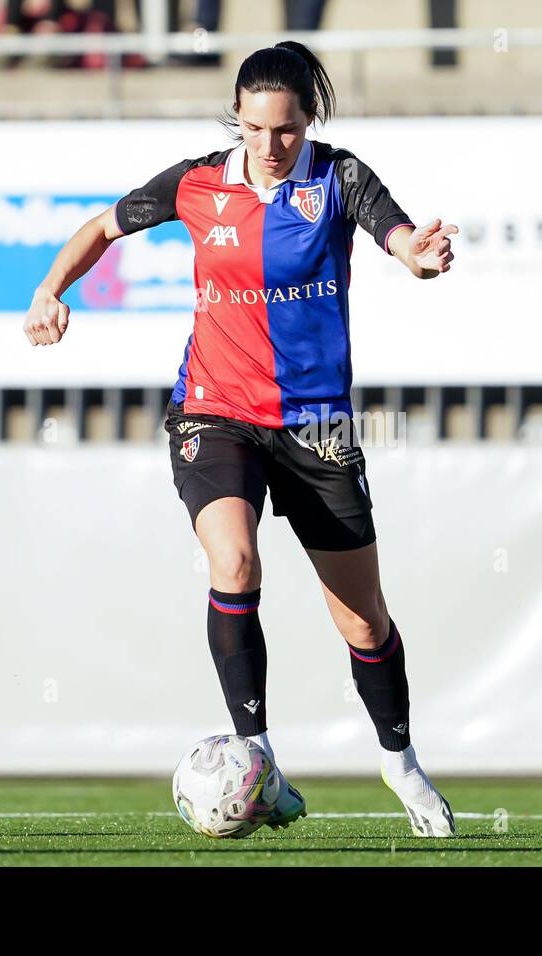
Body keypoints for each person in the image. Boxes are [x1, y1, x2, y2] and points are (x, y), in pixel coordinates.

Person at [23, 40, 458, 837]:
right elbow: (101, 226)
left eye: (285, 130)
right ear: (238, 121)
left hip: (316, 426)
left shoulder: (338, 176)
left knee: (363, 621)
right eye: (255, 129)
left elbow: (394, 234)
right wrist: (50, 290)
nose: (269, 145)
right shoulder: (196, 183)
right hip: (213, 412)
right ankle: (255, 756)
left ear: (308, 121)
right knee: (234, 558)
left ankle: (399, 761)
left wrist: (419, 258)